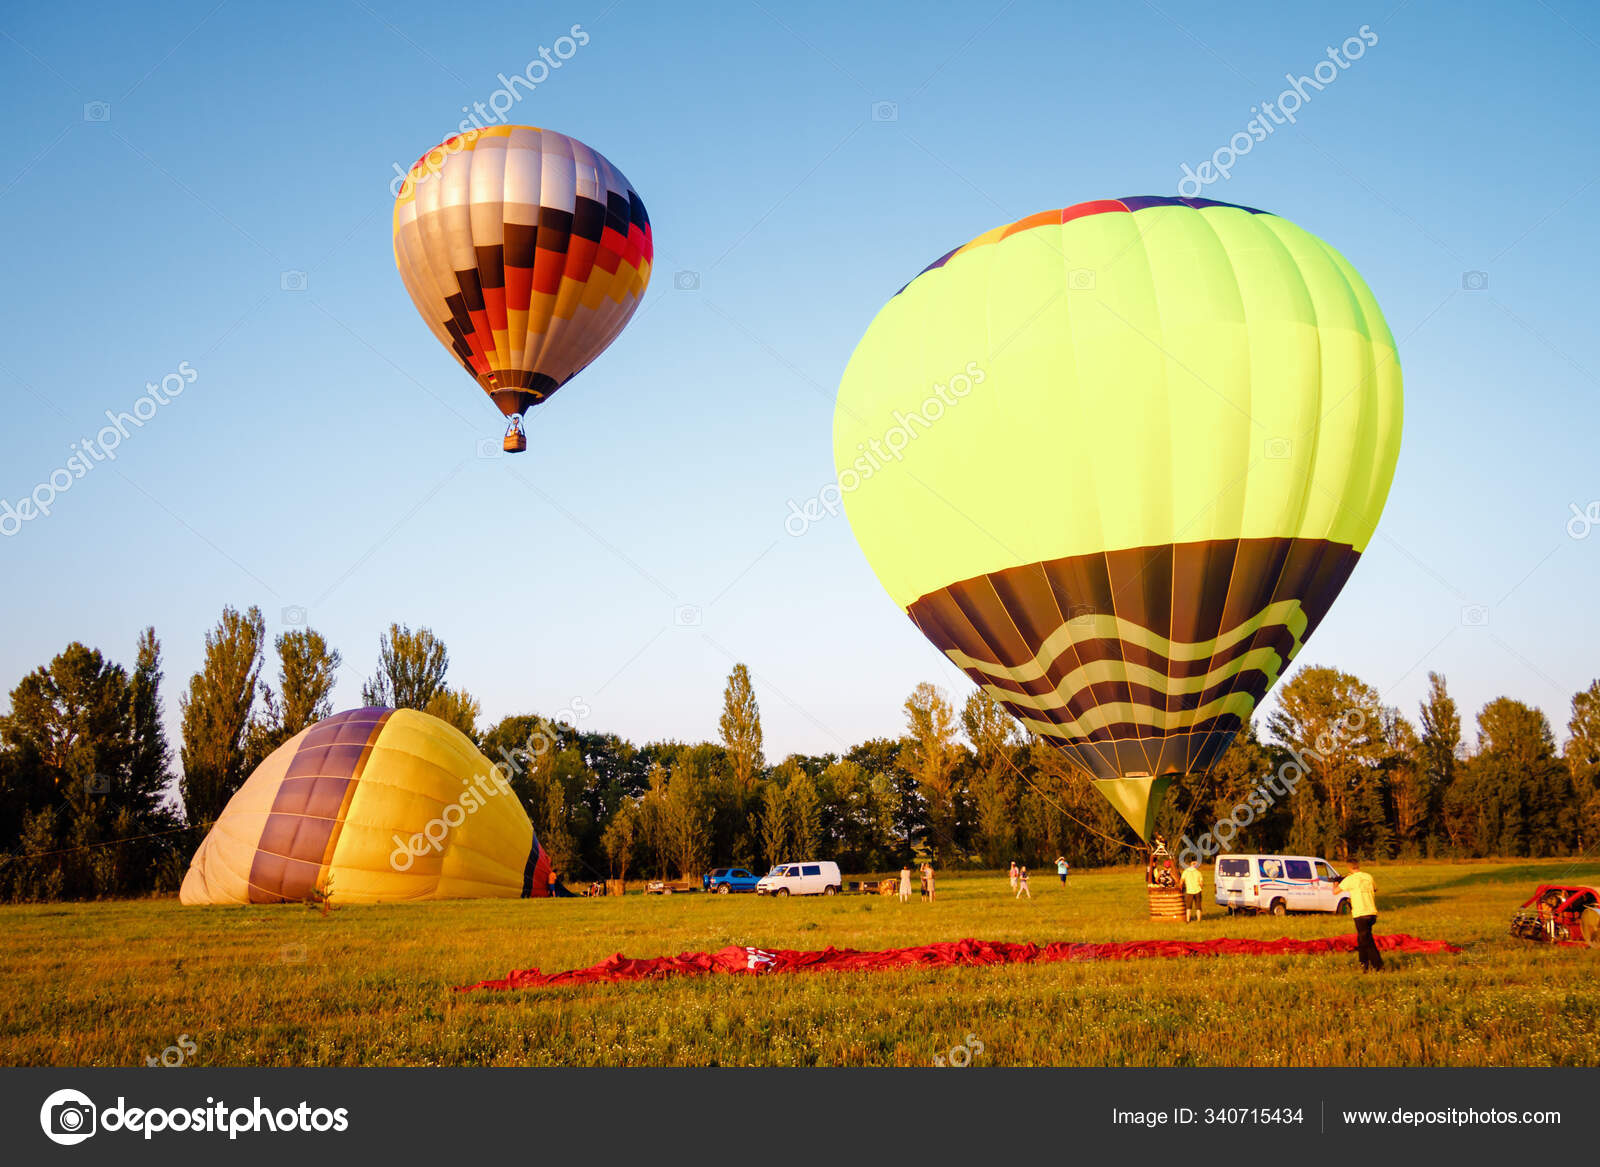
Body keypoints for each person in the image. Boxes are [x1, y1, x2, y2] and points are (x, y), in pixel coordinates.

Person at [1335, 857, 1383, 971]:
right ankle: (1364, 964)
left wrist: (1336, 882)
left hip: (1360, 914)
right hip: (1372, 913)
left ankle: (1378, 965)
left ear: (1349, 867)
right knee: (1362, 940)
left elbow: (1335, 891)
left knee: (1367, 941)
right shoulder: (1368, 876)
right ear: (1358, 865)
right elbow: (1375, 889)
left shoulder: (1350, 879)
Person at [1180, 858, 1204, 922]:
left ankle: (1188, 920)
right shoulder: (1198, 872)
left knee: (1188, 907)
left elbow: (1181, 881)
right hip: (1198, 891)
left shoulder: (1185, 871)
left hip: (1189, 891)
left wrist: (1181, 888)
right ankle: (1199, 920)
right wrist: (1201, 888)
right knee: (1198, 906)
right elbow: (1201, 883)